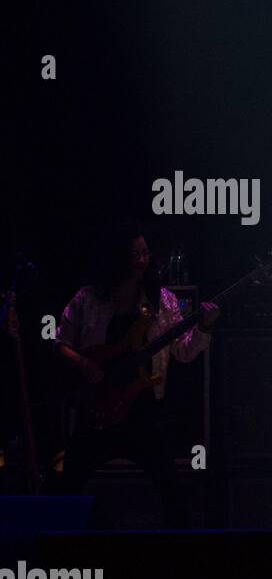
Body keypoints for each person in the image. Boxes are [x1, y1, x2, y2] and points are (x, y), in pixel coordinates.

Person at [54, 225, 219, 526]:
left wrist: (205, 327)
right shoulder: (88, 298)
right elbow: (60, 342)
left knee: (171, 489)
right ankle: (59, 555)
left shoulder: (163, 302)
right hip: (98, 407)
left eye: (145, 253)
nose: (143, 260)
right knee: (70, 484)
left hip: (143, 411)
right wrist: (86, 365)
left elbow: (183, 352)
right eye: (135, 254)